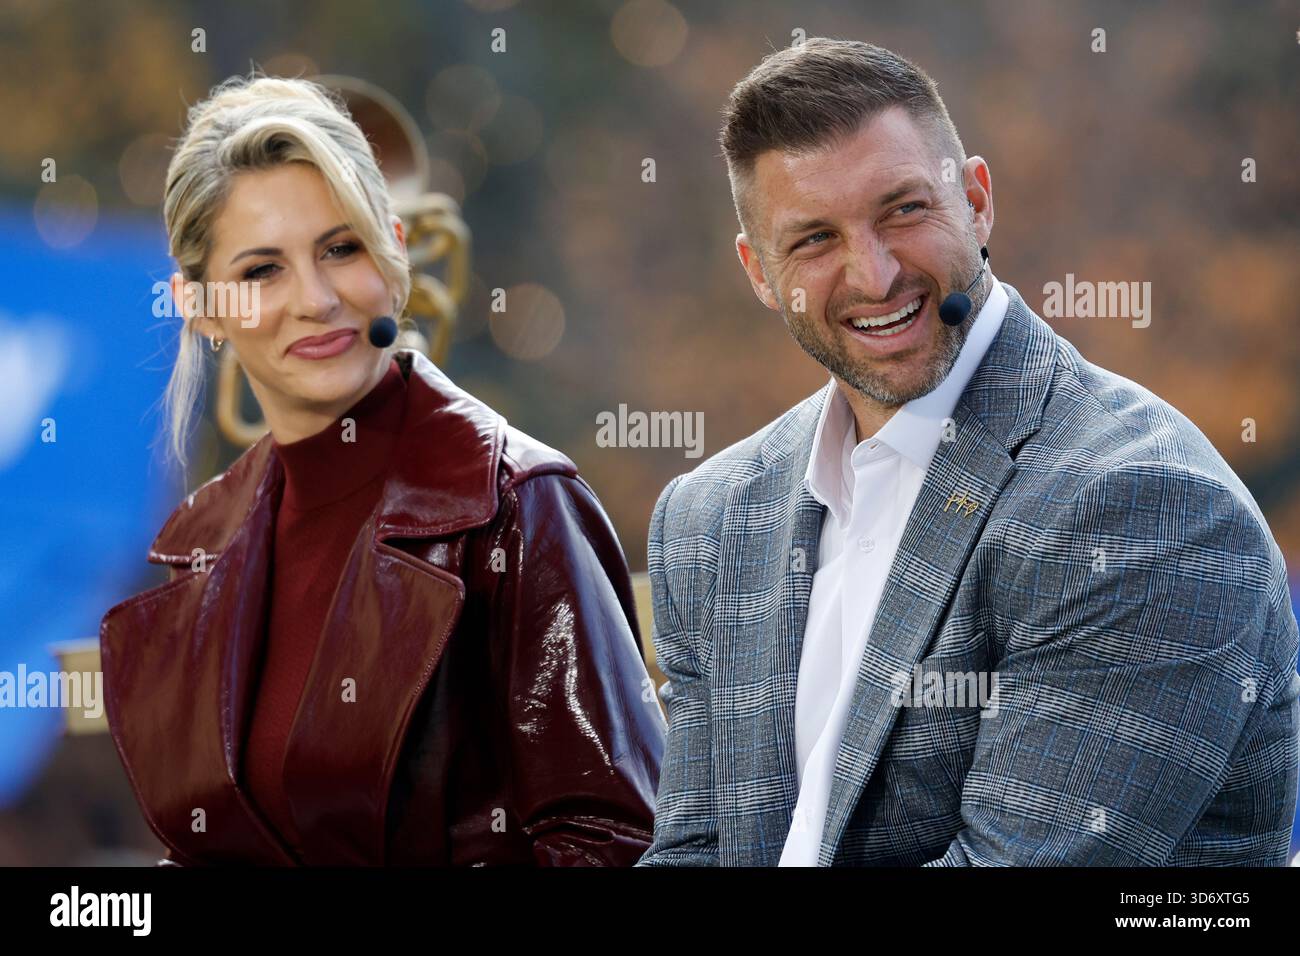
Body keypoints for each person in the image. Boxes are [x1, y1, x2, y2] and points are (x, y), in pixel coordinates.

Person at [638, 38, 1299, 866]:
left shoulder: (1143, 505)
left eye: (903, 211)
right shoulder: (709, 518)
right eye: (813, 240)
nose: (874, 276)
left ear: (977, 200)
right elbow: (693, 852)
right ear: (761, 274)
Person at [99, 74, 664, 866]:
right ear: (198, 305)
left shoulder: (516, 504)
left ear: (395, 246)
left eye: (342, 248)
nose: (318, 298)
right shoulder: (202, 545)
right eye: (263, 270)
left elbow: (614, 842)